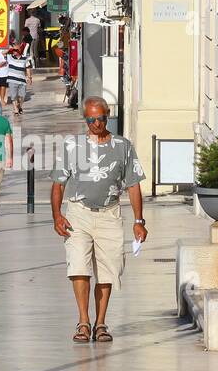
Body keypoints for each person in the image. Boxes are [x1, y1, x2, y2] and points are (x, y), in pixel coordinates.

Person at [51, 97, 148, 344]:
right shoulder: (72, 145)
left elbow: (134, 185)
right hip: (78, 213)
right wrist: (57, 216)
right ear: (85, 119)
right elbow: (58, 183)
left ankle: (101, 322)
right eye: (91, 119)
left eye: (101, 118)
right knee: (78, 267)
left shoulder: (122, 146)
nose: (96, 123)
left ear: (108, 116)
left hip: (110, 214)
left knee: (108, 269)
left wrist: (139, 220)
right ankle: (83, 322)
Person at [4, 41, 30, 117]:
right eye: (14, 50)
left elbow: (28, 68)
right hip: (12, 80)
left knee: (22, 96)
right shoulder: (9, 56)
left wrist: (29, 77)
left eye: (16, 50)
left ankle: (19, 106)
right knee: (13, 96)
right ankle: (15, 109)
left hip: (22, 80)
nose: (14, 52)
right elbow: (3, 53)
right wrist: (11, 49)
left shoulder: (25, 58)